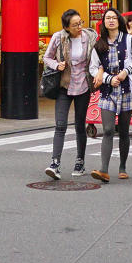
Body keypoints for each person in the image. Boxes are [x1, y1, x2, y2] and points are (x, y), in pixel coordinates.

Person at [89, 7, 132, 182]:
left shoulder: (130, 40)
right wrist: (108, 79)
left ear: (119, 21)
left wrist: (125, 72)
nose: (111, 21)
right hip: (108, 91)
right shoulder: (99, 44)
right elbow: (93, 68)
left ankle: (122, 166)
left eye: (114, 18)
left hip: (126, 89)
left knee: (124, 130)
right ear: (104, 22)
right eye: (107, 18)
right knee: (107, 130)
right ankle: (103, 169)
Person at [43, 9, 97, 180]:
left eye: (80, 23)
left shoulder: (89, 37)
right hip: (64, 86)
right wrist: (56, 65)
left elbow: (98, 57)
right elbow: (47, 57)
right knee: (60, 125)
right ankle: (55, 163)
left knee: (80, 125)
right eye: (75, 25)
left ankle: (79, 162)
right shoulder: (59, 37)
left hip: (83, 85)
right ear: (66, 27)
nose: (79, 27)